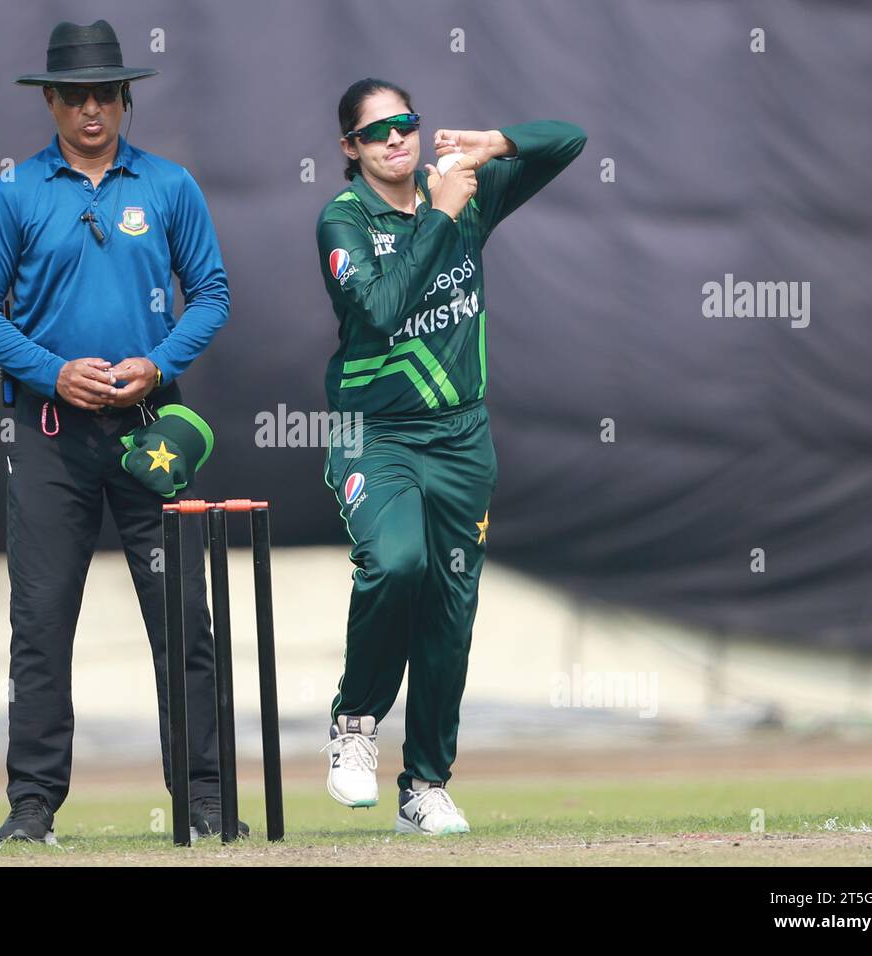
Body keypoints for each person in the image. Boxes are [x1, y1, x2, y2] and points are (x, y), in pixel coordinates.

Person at [0, 20, 242, 842]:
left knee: (184, 618)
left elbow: (213, 293)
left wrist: (157, 361)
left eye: (104, 95)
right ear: (49, 101)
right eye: (74, 95)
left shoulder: (169, 186)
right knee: (42, 622)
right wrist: (51, 369)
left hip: (151, 430)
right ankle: (32, 808)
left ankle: (205, 804)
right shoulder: (13, 192)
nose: (90, 109)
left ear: (125, 99)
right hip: (49, 434)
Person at [315, 78, 586, 835]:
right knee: (396, 564)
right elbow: (379, 307)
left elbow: (569, 137)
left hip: (462, 440)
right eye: (376, 132)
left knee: (449, 607)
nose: (396, 139)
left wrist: (493, 144)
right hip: (379, 434)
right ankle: (355, 726)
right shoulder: (344, 220)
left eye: (405, 123)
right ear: (351, 149)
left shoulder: (462, 191)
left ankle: (425, 784)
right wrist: (441, 211)